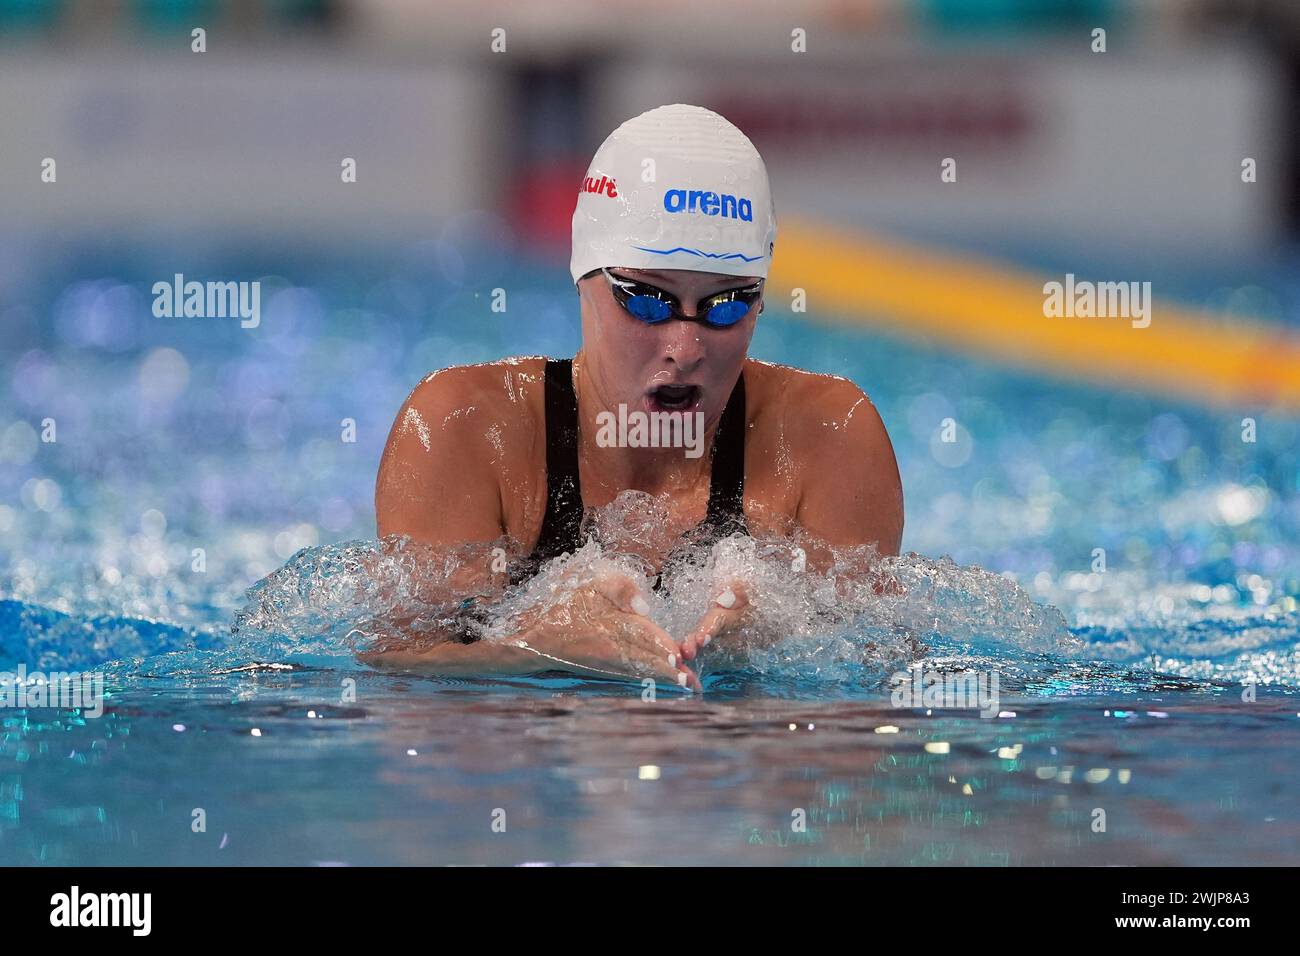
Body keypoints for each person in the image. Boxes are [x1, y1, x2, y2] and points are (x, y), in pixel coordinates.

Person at [365, 104, 902, 690]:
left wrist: (791, 633)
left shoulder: (828, 438)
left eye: (727, 305)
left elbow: (876, 693)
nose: (686, 346)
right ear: (583, 277)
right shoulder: (464, 429)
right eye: (647, 299)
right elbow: (397, 679)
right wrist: (532, 646)